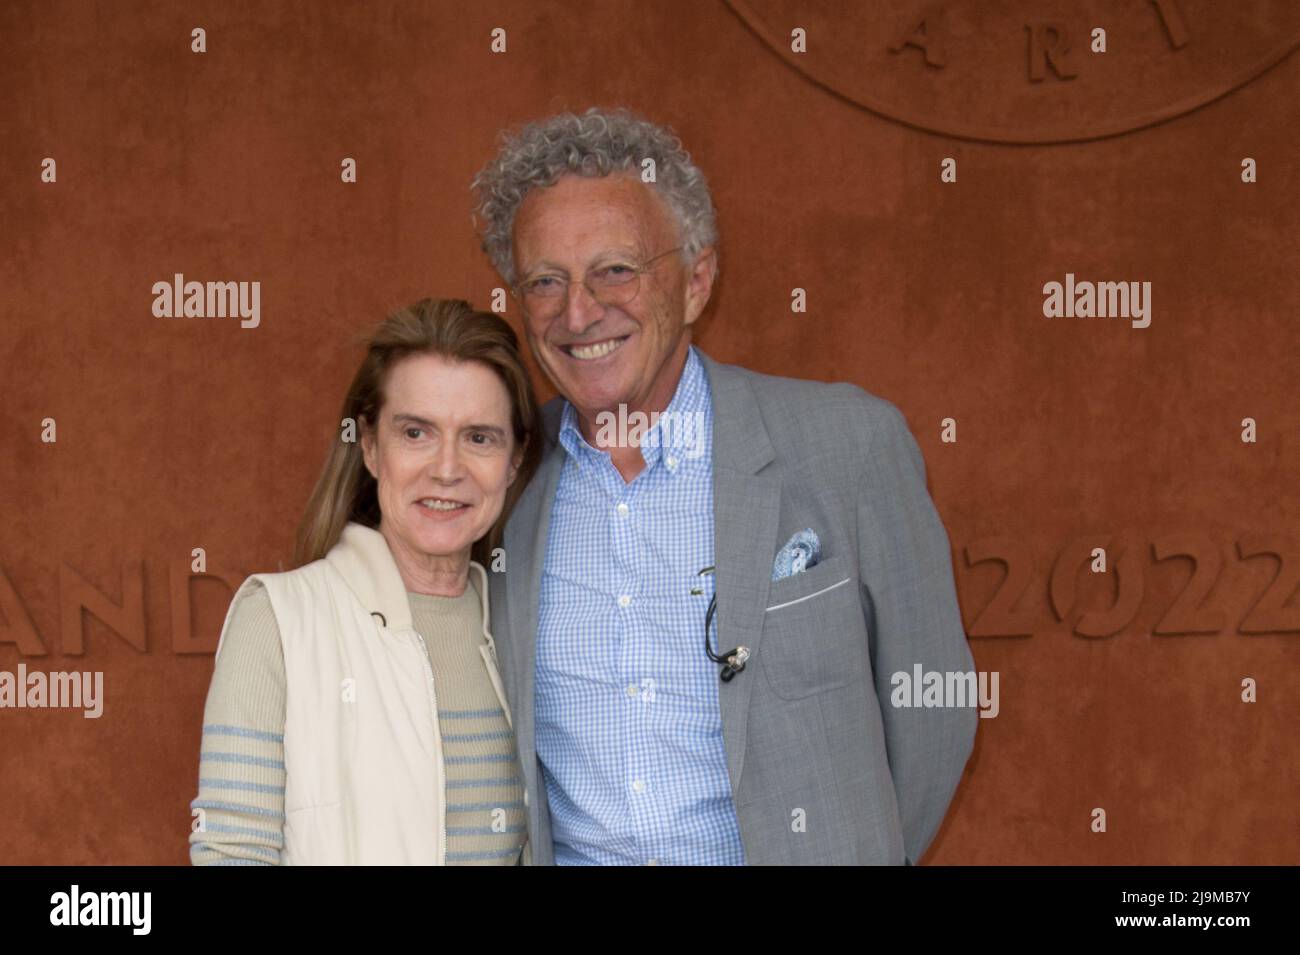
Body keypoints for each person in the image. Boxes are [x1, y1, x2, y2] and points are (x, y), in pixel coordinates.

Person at [470, 107, 978, 865]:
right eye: (546, 280)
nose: (579, 311)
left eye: (616, 269)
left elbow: (932, 710)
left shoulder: (848, 444)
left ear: (697, 280)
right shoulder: (500, 485)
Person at [188, 298, 542, 864]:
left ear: (515, 460)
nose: (447, 468)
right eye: (416, 433)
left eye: (479, 437)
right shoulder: (278, 620)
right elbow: (232, 851)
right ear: (372, 447)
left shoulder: (523, 629)